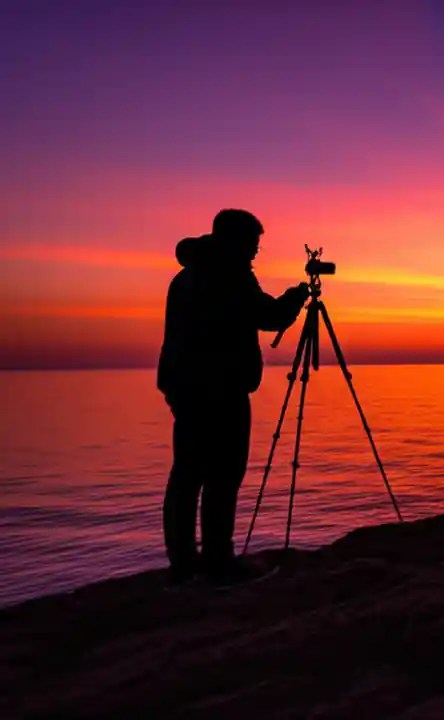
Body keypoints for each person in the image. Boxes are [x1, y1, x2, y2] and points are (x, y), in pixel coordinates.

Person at [157, 209, 309, 586]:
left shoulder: (188, 275)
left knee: (188, 474)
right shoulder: (228, 276)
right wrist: (297, 296)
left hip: (186, 388)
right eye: (252, 246)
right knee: (223, 474)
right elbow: (267, 315)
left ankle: (183, 563)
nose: (255, 254)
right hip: (219, 390)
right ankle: (217, 562)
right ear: (234, 242)